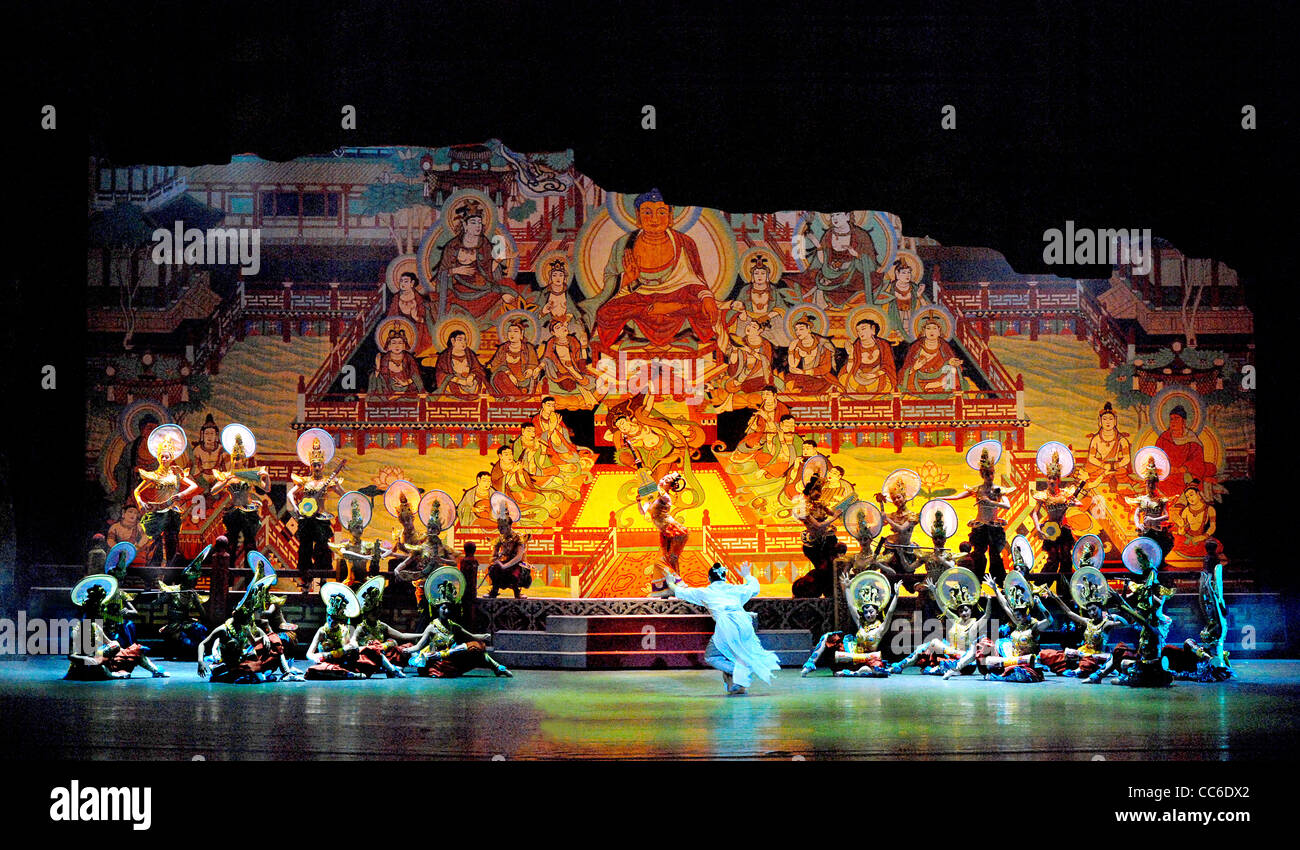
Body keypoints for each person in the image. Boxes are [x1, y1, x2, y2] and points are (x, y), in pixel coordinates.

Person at [584, 188, 724, 359]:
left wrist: (706, 298)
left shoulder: (684, 243)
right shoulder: (623, 244)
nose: (654, 219)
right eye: (647, 212)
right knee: (606, 314)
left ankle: (661, 324)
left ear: (671, 217)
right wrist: (627, 278)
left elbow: (695, 279)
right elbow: (609, 281)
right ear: (638, 216)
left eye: (662, 212)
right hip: (638, 298)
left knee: (705, 309)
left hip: (676, 298)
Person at [665, 561, 780, 694]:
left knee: (712, 656)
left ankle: (740, 672)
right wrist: (747, 575)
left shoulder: (705, 592)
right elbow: (754, 588)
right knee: (738, 654)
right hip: (745, 622)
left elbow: (679, 591)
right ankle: (738, 680)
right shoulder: (736, 589)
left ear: (709, 579)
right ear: (725, 577)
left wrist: (670, 582)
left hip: (727, 623)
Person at [65, 577, 169, 680]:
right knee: (97, 667)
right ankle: (113, 675)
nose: (100, 614)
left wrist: (130, 653)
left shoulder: (95, 626)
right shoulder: (78, 629)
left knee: (132, 649)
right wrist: (91, 660)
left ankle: (156, 671)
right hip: (86, 666)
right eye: (98, 611)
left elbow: (110, 643)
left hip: (101, 658)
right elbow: (71, 656)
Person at [890, 573, 993, 675]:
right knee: (922, 648)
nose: (964, 613)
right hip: (951, 654)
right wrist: (934, 592)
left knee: (934, 642)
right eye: (961, 611)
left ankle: (938, 669)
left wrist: (989, 600)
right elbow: (942, 607)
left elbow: (987, 615)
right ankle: (900, 665)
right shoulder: (955, 620)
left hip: (965, 660)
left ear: (971, 610)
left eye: (966, 610)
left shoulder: (975, 623)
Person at [803, 574, 902, 677]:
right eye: (866, 612)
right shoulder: (861, 624)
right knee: (828, 636)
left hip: (867, 658)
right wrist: (847, 588)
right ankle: (810, 664)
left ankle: (850, 673)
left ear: (877, 612)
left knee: (868, 670)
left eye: (871, 612)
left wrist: (896, 596)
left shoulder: (880, 628)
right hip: (851, 653)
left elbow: (890, 613)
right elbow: (851, 606)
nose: (868, 615)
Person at [407, 583, 512, 678]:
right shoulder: (432, 627)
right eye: (443, 608)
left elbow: (471, 636)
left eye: (448, 608)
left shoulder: (453, 626)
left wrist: (484, 636)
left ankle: (497, 668)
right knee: (471, 647)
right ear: (438, 609)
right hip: (435, 662)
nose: (446, 611)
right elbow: (418, 646)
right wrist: (408, 651)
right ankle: (497, 667)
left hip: (450, 659)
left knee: (476, 649)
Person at [133, 425, 199, 570]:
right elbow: (137, 491)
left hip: (172, 511)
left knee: (172, 542)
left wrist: (181, 494)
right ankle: (152, 575)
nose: (164, 459)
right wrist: (140, 502)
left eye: (167, 456)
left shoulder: (176, 473)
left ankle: (170, 574)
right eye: (161, 456)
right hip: (158, 511)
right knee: (154, 544)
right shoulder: (154, 475)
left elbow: (193, 486)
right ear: (158, 457)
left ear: (171, 458)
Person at [287, 433, 346, 583]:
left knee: (322, 549)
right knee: (305, 549)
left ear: (323, 465)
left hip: (321, 518)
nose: (317, 467)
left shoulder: (328, 481)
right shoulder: (305, 481)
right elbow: (290, 493)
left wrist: (340, 488)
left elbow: (344, 495)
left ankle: (323, 580)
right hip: (306, 518)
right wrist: (295, 507)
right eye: (314, 465)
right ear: (310, 466)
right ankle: (305, 581)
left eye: (319, 464)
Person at [210, 426, 268, 569]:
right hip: (233, 512)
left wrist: (266, 477)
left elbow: (266, 488)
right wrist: (225, 481)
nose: (237, 460)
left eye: (239, 458)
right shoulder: (227, 475)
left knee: (250, 544)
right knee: (230, 544)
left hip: (248, 511)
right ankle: (228, 577)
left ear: (244, 460)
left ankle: (251, 575)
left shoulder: (249, 475)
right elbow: (213, 491)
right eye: (234, 458)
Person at [951, 447, 1010, 582]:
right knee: (978, 554)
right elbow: (958, 496)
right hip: (980, 527)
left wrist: (990, 501)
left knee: (995, 554)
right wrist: (944, 498)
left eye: (992, 473)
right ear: (982, 475)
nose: (990, 477)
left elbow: (1007, 506)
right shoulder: (978, 489)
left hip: (994, 527)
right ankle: (976, 580)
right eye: (987, 474)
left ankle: (999, 581)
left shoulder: (998, 490)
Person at [156, 548, 211, 659]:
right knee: (187, 644)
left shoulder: (192, 594)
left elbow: (203, 616)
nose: (193, 583)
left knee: (201, 629)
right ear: (185, 579)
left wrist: (197, 601)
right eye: (191, 581)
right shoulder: (174, 591)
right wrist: (163, 597)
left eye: (194, 581)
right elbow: (157, 603)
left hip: (185, 624)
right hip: (173, 626)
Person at [642, 471, 690, 596]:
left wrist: (645, 476)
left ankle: (678, 584)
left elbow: (657, 489)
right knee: (664, 561)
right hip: (666, 534)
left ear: (671, 486)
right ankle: (667, 589)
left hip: (675, 531)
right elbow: (644, 511)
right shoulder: (655, 498)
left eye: (667, 481)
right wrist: (639, 500)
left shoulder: (666, 497)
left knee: (667, 560)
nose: (663, 481)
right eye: (663, 478)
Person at [792, 473, 839, 598]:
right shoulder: (804, 508)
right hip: (814, 545)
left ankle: (831, 593)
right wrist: (833, 518)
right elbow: (818, 525)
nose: (819, 493)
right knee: (824, 569)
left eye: (820, 490)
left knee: (831, 569)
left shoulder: (819, 504)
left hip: (826, 540)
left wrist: (834, 511)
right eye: (816, 490)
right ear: (810, 490)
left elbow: (832, 513)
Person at [898, 316, 962, 398]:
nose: (931, 331)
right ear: (924, 331)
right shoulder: (916, 346)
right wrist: (914, 368)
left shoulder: (944, 346)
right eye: (928, 328)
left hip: (940, 381)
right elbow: (905, 371)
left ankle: (934, 387)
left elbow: (951, 364)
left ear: (939, 331)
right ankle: (928, 387)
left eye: (934, 328)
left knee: (952, 371)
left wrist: (951, 363)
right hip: (920, 381)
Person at [784, 313, 839, 395]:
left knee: (815, 386)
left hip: (821, 377)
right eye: (796, 329)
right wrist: (791, 349)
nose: (798, 332)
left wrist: (804, 372)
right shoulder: (798, 344)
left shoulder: (823, 344)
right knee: (789, 379)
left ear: (809, 329)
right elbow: (793, 366)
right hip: (804, 376)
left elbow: (825, 368)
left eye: (801, 329)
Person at [840, 318, 897, 394]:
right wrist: (850, 355)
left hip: (878, 376)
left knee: (886, 383)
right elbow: (850, 370)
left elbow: (889, 366)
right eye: (858, 331)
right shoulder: (856, 346)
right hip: (859, 376)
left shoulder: (883, 345)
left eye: (863, 329)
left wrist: (873, 375)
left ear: (873, 329)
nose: (860, 332)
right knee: (843, 379)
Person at [1084, 402, 1132, 491]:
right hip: (1102, 467)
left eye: (1110, 419)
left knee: (1122, 473)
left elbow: (1127, 458)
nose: (1108, 422)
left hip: (1116, 469)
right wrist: (1103, 465)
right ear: (1100, 421)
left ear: (1115, 421)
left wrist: (1118, 465)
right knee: (1092, 474)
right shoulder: (1096, 439)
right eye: (1105, 419)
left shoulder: (1122, 439)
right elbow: (1091, 458)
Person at [487, 504, 531, 598]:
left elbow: (519, 556)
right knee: (493, 569)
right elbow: (493, 555)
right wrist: (495, 560)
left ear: (509, 526)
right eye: (499, 527)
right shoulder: (500, 539)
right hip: (504, 562)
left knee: (515, 572)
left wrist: (505, 565)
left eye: (503, 527)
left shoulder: (518, 537)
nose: (500, 529)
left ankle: (517, 592)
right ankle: (494, 590)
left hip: (517, 563)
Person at [433, 329, 490, 398]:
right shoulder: (445, 356)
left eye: (465, 340)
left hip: (470, 380)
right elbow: (441, 374)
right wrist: (459, 380)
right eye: (460, 340)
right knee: (450, 385)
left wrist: (471, 376)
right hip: (455, 381)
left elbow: (477, 368)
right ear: (453, 341)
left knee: (479, 381)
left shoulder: (469, 353)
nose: (463, 342)